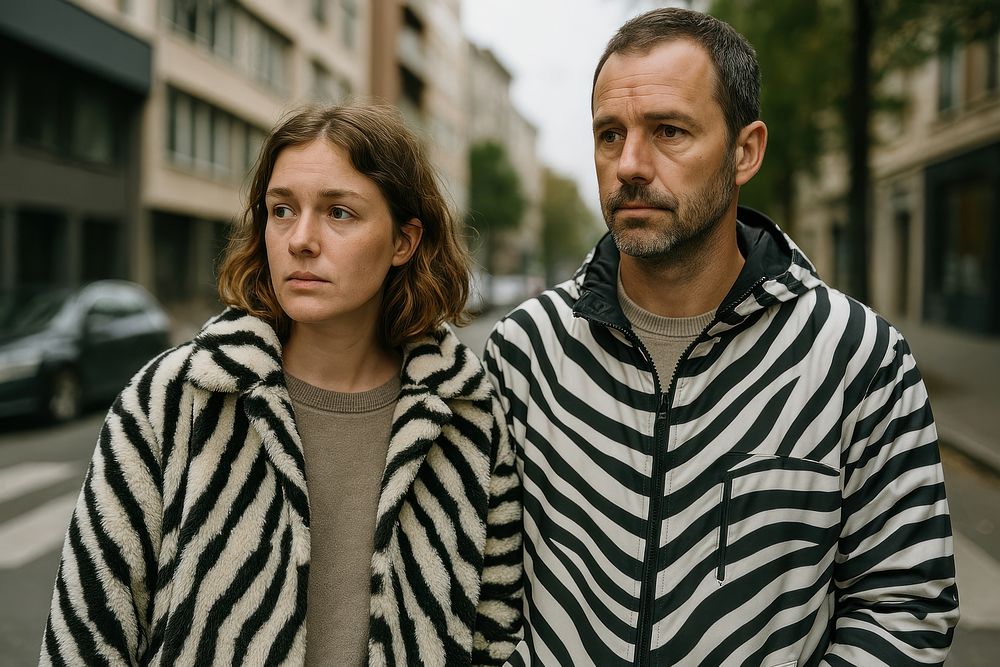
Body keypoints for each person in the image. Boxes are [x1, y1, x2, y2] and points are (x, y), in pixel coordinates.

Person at [485, 7, 958, 666]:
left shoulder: (857, 357)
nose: (629, 164)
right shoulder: (522, 352)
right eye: (609, 134)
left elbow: (905, 602)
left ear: (745, 150)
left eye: (668, 131)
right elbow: (481, 597)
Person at [41, 104, 522, 666]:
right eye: (281, 210)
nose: (300, 239)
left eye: (339, 212)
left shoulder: (467, 415)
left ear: (404, 242)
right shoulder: (175, 398)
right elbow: (85, 638)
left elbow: (496, 637)